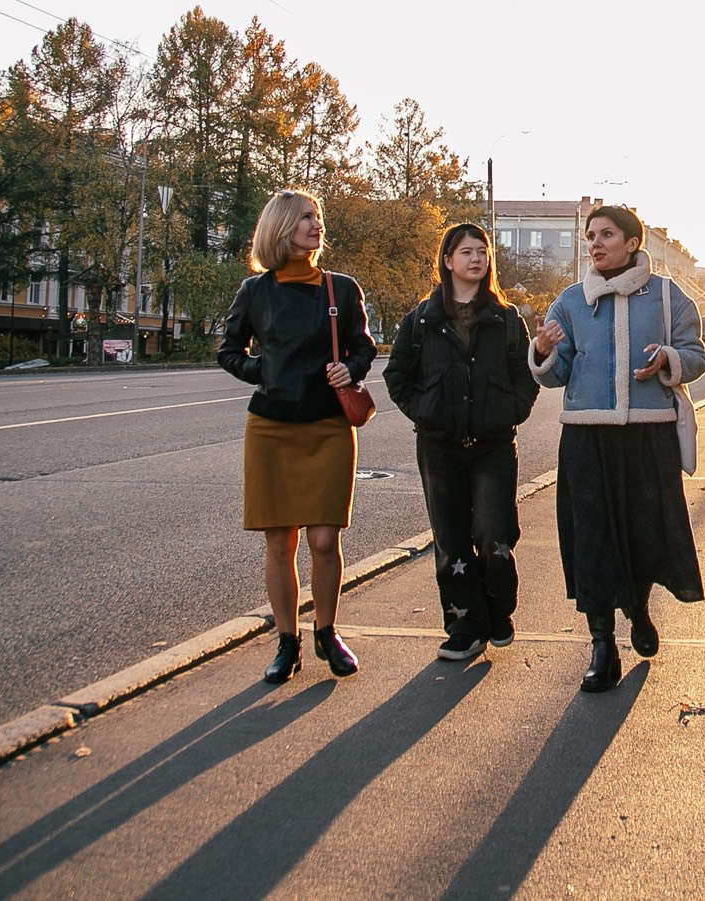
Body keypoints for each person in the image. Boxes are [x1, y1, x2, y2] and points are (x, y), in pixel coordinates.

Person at [530, 205, 705, 694]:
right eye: (590, 236)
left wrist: (670, 359)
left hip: (649, 436)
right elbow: (556, 373)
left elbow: (697, 355)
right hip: (587, 436)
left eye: (607, 234)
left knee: (645, 531)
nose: (595, 243)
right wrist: (543, 351)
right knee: (592, 536)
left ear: (632, 243)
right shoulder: (568, 302)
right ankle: (601, 645)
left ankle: (640, 609)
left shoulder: (669, 298)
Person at [218, 188, 377, 685]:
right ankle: (286, 643)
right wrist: (259, 370)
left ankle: (327, 631)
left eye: (318, 216)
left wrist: (348, 369)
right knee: (279, 541)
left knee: (324, 538)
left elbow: (364, 346)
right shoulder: (256, 291)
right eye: (307, 217)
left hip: (328, 426)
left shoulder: (341, 289)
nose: (317, 224)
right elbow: (227, 350)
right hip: (270, 428)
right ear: (281, 228)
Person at [383, 222, 540, 663]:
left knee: (494, 534)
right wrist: (427, 412)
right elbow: (397, 376)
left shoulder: (507, 319)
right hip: (440, 446)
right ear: (447, 261)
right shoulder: (422, 320)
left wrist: (510, 413)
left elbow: (525, 375)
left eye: (482, 251)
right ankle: (464, 626)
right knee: (451, 540)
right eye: (466, 251)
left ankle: (498, 610)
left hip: (493, 445)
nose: (476, 258)